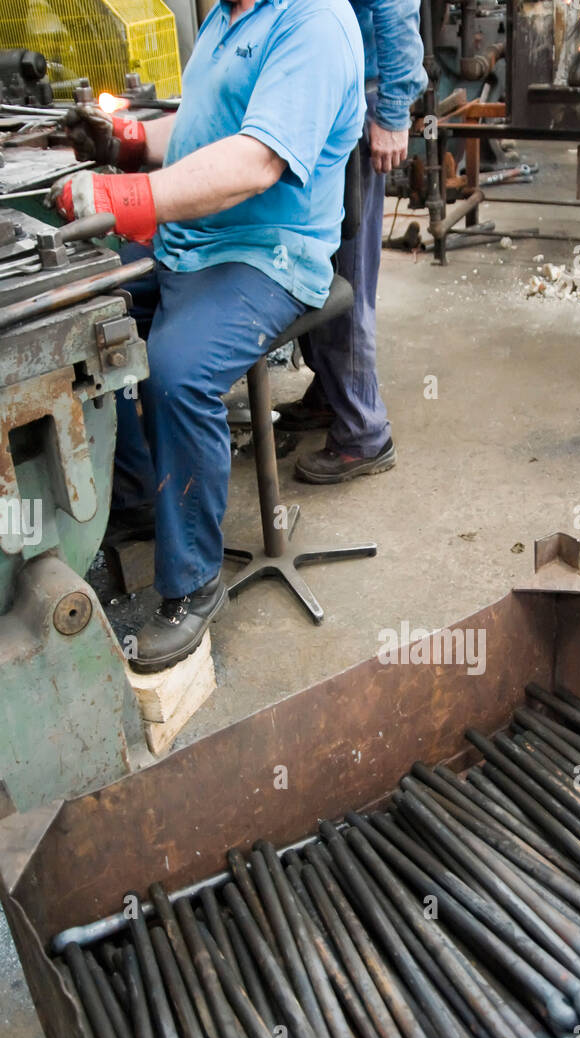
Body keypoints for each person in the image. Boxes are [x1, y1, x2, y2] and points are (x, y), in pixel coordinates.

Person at [54, 0, 365, 672]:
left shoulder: (312, 22)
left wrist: (121, 198)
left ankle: (192, 586)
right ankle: (136, 499)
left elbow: (253, 162)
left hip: (268, 253)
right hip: (192, 241)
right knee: (80, 324)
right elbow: (203, 129)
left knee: (176, 371)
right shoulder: (229, 17)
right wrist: (127, 142)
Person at [275, 0, 426, 484]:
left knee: (347, 275)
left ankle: (364, 431)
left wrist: (394, 111)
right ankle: (332, 394)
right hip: (320, 91)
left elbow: (396, 6)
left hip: (355, 98)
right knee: (318, 259)